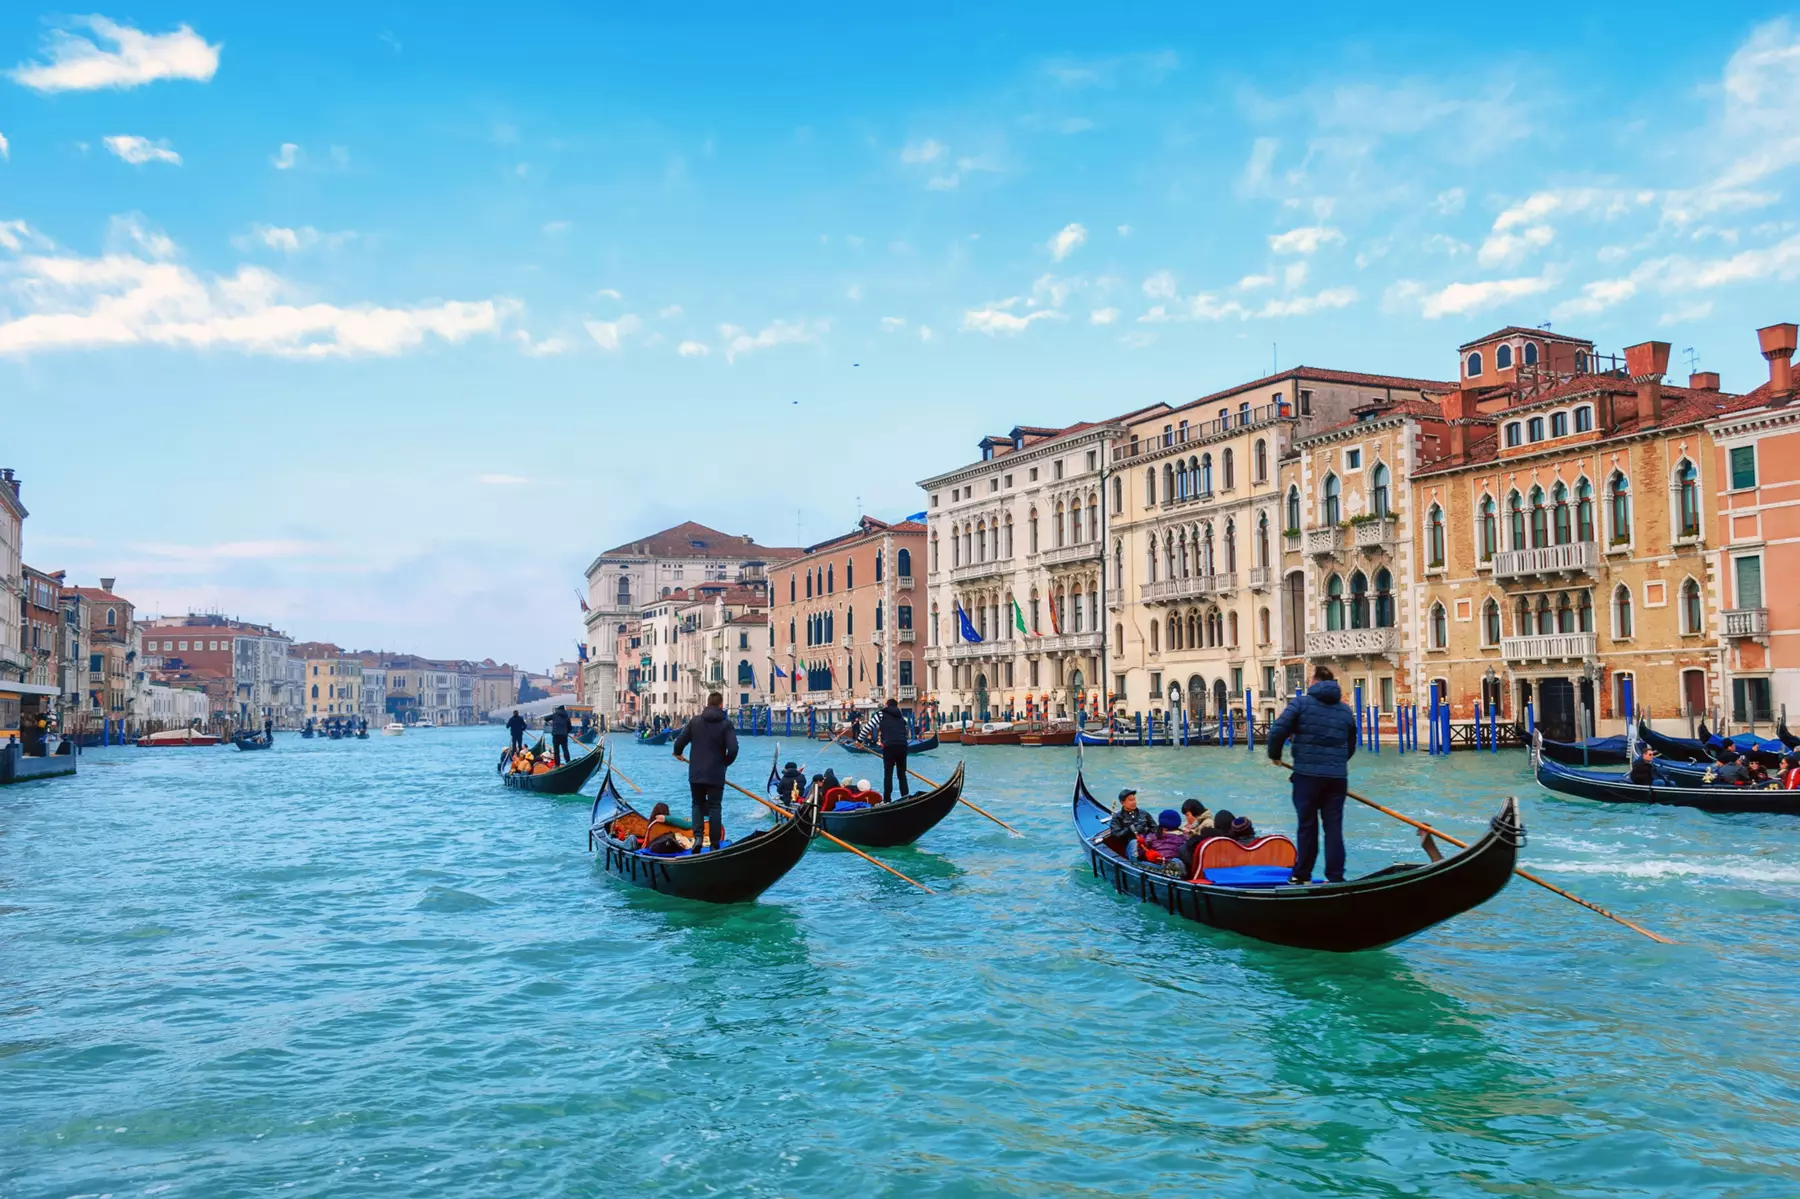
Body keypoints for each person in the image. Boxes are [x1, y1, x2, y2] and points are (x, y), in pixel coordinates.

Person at [1268, 664, 1359, 885]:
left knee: (1307, 826)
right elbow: (1351, 746)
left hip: (1307, 776)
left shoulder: (1301, 703)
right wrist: (1335, 763)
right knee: (1333, 828)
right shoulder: (1345, 710)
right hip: (1337, 778)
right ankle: (1336, 877)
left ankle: (1301, 875)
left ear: (1314, 681)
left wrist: (1275, 755)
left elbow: (1278, 730)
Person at [672, 691, 739, 853]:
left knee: (697, 804)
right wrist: (725, 763)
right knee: (715, 806)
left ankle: (698, 840)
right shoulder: (726, 724)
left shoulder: (695, 722)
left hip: (696, 772)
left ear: (707, 704)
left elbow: (679, 742)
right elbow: (733, 749)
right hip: (716, 773)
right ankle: (715, 844)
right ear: (721, 705)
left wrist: (678, 753)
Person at [877, 698, 913, 802]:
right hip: (902, 746)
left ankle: (887, 800)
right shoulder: (902, 718)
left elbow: (868, 727)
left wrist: (860, 741)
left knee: (888, 775)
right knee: (902, 775)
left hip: (889, 747)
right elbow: (906, 733)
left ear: (887, 705)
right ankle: (905, 798)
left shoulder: (881, 714)